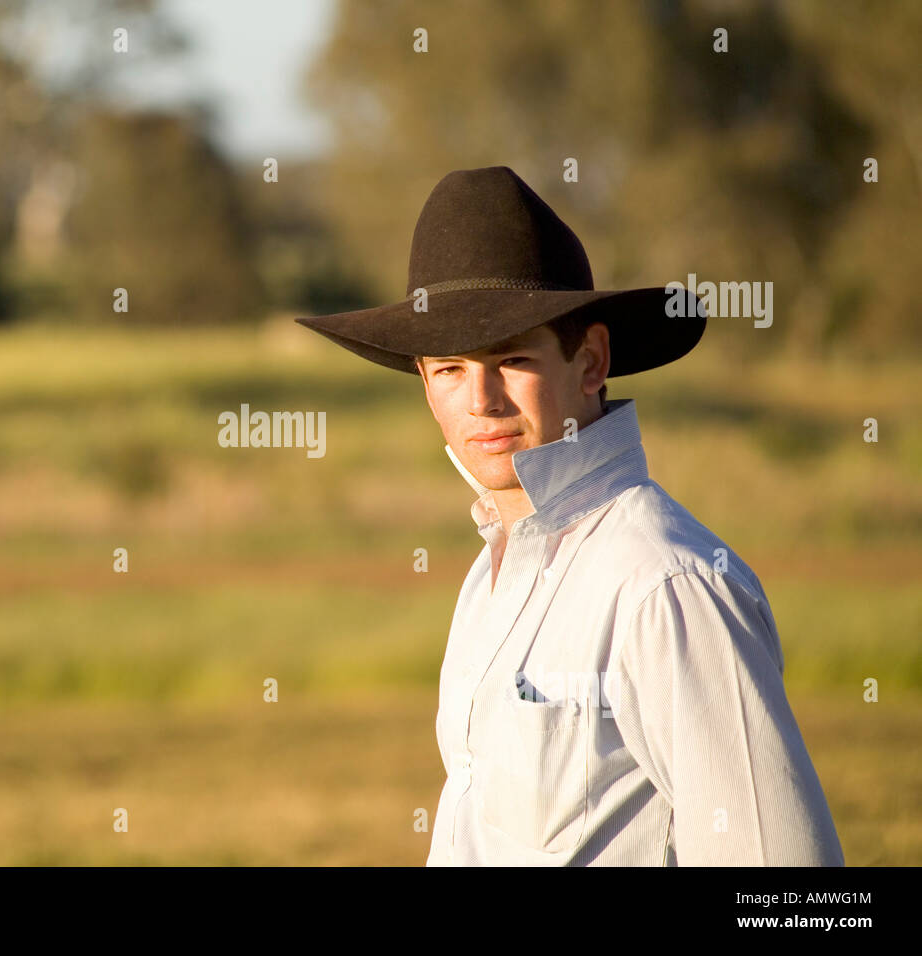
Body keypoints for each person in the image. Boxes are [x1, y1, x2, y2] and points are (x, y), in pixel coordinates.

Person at [294, 166, 843, 865]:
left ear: (591, 363)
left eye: (512, 358)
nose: (482, 400)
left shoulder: (665, 585)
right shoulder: (486, 577)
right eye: (450, 369)